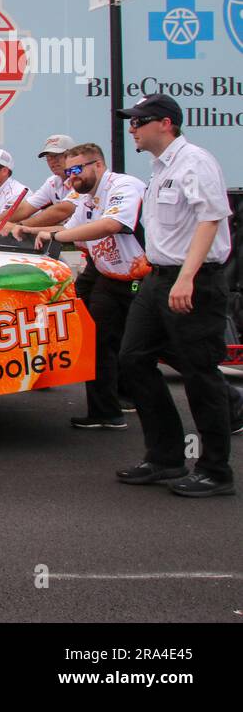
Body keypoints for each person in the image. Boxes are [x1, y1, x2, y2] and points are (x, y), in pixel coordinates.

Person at [113, 94, 235, 497]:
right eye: (131, 121)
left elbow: (211, 218)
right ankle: (165, 458)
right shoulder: (159, 166)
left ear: (164, 123)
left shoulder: (194, 161)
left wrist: (186, 276)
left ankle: (215, 471)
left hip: (193, 280)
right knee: (133, 359)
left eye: (138, 121)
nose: (132, 127)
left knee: (200, 373)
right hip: (159, 277)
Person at [30, 144, 149, 430]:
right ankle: (105, 412)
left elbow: (110, 225)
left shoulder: (124, 185)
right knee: (95, 342)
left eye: (76, 170)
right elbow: (67, 228)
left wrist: (52, 233)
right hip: (109, 278)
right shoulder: (87, 198)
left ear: (98, 165)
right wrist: (24, 229)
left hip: (143, 281)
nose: (71, 177)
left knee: (164, 348)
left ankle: (231, 404)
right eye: (68, 172)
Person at [0, 134, 81, 241]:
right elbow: (25, 208)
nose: (52, 161)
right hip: (86, 245)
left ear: (72, 156)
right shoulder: (53, 181)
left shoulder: (81, 178)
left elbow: (62, 211)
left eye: (57, 155)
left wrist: (19, 226)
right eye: (48, 157)